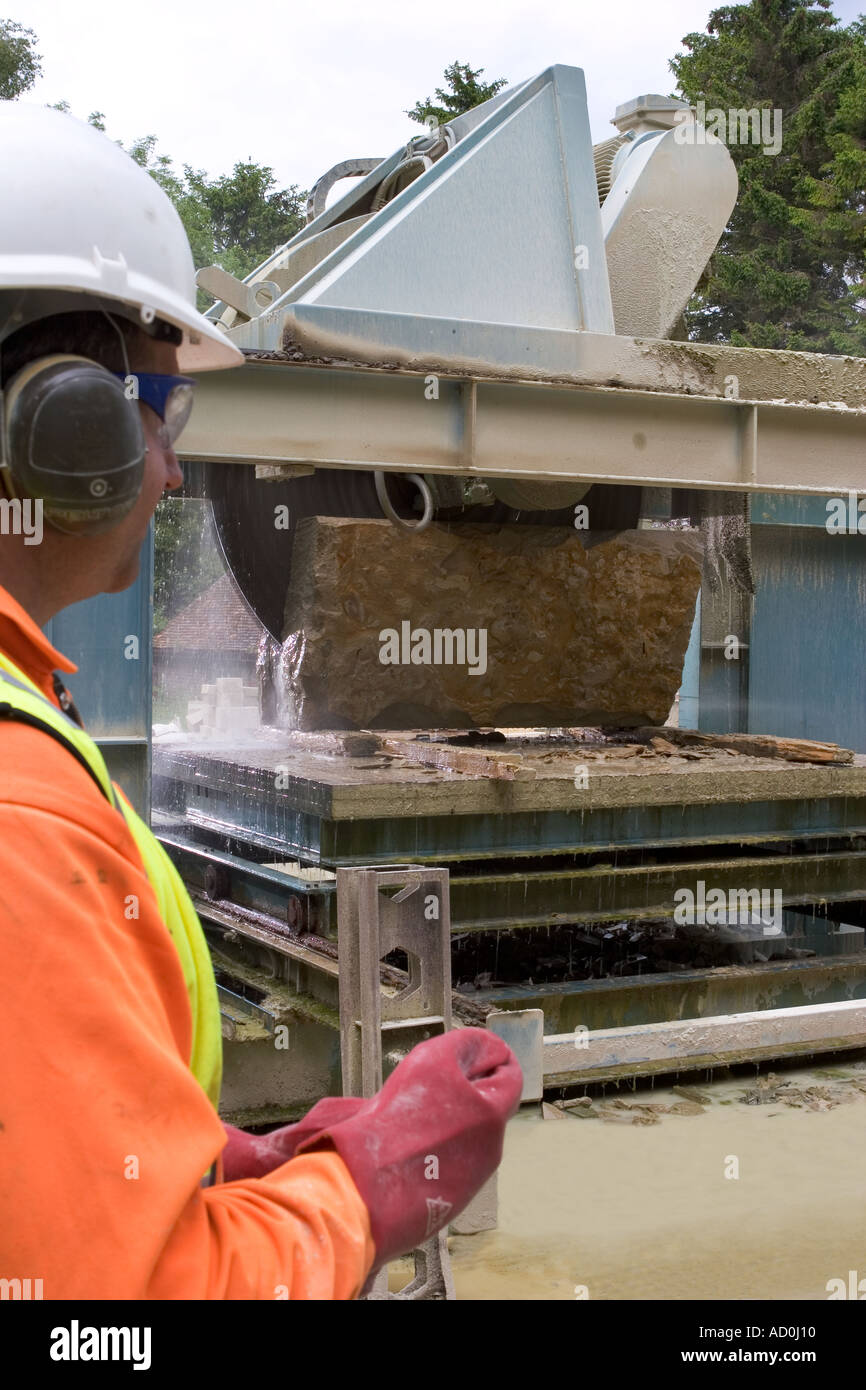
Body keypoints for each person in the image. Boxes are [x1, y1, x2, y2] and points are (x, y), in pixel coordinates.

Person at [0, 102, 521, 1300]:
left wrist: (203, 1158)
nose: (175, 469)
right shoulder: (19, 815)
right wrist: (365, 1187)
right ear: (63, 427)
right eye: (162, 414)